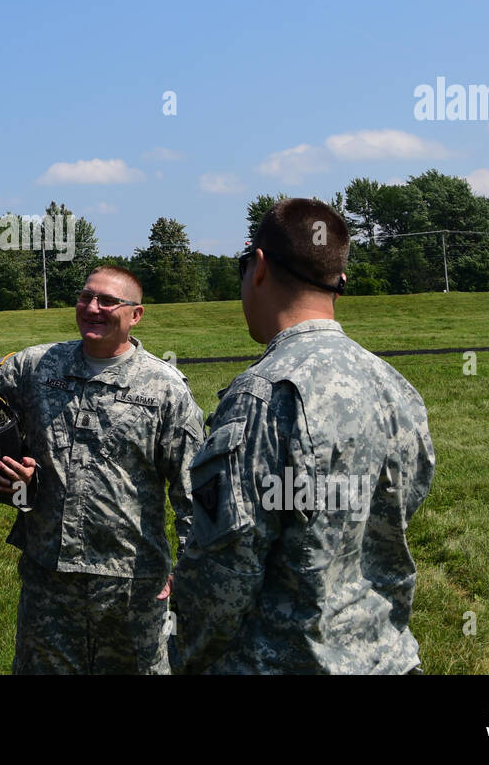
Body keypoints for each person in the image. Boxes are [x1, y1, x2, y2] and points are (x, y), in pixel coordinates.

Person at [173, 198, 436, 674]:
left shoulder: (264, 394)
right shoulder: (393, 385)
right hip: (388, 659)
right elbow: (401, 508)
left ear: (257, 266)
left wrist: (181, 656)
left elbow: (226, 572)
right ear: (339, 280)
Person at [0, 265, 204, 674]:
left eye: (107, 301)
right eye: (85, 297)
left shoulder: (163, 387)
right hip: (49, 581)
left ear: (136, 315)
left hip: (131, 586)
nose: (92, 308)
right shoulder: (38, 367)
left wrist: (187, 575)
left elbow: (195, 489)